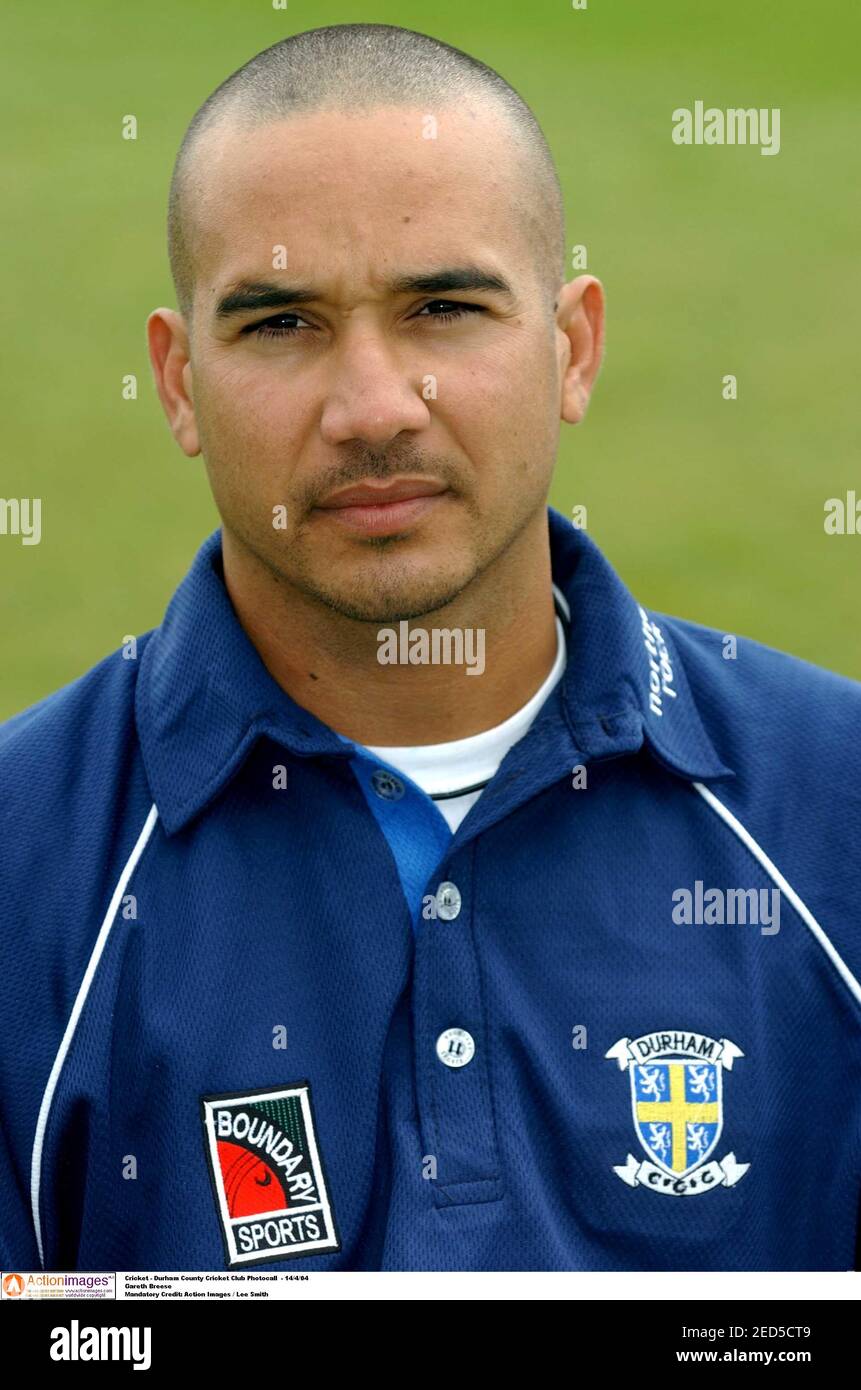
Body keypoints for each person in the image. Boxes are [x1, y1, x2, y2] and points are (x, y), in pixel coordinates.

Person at [2, 23, 859, 1274]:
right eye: (283, 322)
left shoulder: (833, 812)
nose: (372, 408)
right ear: (178, 382)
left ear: (571, 348)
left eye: (444, 308)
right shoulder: (27, 862)